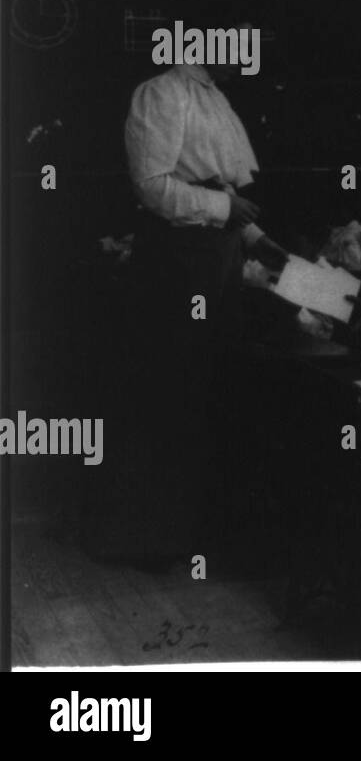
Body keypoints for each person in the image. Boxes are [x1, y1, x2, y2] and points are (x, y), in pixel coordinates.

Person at [85, 54, 287, 565]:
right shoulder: (163, 92)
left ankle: (196, 535)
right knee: (172, 392)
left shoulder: (214, 96)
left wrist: (257, 239)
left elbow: (216, 184)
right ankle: (148, 540)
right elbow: (152, 185)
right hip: (178, 265)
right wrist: (225, 212)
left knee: (209, 385)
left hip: (215, 258)